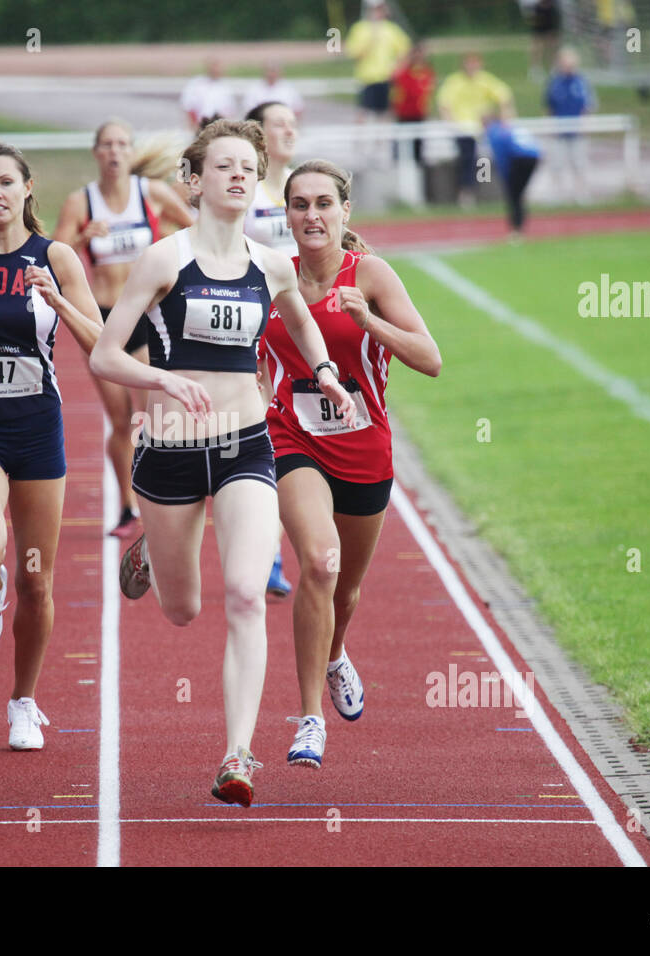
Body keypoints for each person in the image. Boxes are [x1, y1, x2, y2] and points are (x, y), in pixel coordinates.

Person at [89, 120, 355, 807]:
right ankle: (152, 547)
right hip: (169, 455)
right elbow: (104, 354)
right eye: (225, 166)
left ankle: (238, 755)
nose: (239, 176)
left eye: (249, 167)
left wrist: (322, 368)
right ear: (196, 180)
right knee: (183, 609)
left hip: (245, 445)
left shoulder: (271, 264)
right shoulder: (164, 260)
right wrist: (159, 382)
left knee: (245, 594)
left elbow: (298, 318)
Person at [257, 159, 440, 768]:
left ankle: (336, 653)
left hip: (365, 448)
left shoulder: (373, 275)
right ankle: (310, 719)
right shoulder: (269, 277)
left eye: (323, 204)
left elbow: (430, 358)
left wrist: (369, 320)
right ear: (286, 214)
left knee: (347, 587)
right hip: (291, 439)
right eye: (300, 204)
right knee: (318, 560)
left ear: (344, 211)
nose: (312, 215)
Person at [0, 142, 103, 751]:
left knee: (39, 580)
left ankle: (23, 700)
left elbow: (100, 343)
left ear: (28, 187)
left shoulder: (56, 255)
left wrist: (58, 299)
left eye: (7, 182)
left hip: (38, 428)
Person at [54, 120, 195, 539]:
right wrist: (81, 237)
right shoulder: (82, 202)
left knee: (152, 413)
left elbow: (196, 231)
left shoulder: (150, 194)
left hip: (150, 318)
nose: (115, 152)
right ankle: (128, 507)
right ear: (96, 153)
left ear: (131, 152)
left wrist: (165, 242)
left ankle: (164, 495)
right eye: (107, 145)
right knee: (121, 420)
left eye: (122, 145)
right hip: (103, 319)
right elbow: (53, 256)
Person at [243, 101, 300, 598]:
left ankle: (275, 550)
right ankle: (269, 554)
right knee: (258, 433)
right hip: (256, 323)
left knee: (294, 432)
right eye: (278, 123)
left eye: (292, 122)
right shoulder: (246, 191)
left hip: (302, 323)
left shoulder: (303, 190)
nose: (289, 129)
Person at [437, 53, 514, 208]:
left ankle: (482, 190)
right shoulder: (455, 82)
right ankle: (467, 192)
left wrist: (505, 115)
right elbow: (443, 102)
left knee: (482, 160)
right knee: (467, 160)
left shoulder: (485, 80)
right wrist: (451, 123)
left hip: (482, 129)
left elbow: (504, 95)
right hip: (463, 129)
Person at [345, 0, 412, 123]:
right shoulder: (360, 29)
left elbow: (406, 50)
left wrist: (398, 68)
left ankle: (381, 141)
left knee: (384, 113)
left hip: (386, 77)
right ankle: (360, 140)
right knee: (362, 112)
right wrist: (371, 36)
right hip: (366, 78)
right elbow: (354, 54)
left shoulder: (391, 29)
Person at [544, 47, 596, 202]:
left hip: (577, 129)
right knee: (556, 163)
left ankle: (581, 194)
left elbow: (588, 105)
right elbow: (549, 106)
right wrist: (550, 126)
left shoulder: (582, 82)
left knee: (579, 163)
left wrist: (585, 124)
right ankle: (557, 195)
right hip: (559, 129)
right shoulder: (554, 83)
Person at [485, 108, 542, 236]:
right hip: (534, 157)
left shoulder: (494, 132)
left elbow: (501, 157)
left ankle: (516, 228)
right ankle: (519, 226)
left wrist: (505, 179)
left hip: (519, 159)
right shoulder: (509, 127)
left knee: (513, 195)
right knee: (518, 194)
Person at [390, 42, 436, 165]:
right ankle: (398, 163)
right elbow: (404, 88)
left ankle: (417, 164)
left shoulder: (427, 71)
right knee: (401, 140)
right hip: (404, 111)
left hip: (419, 111)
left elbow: (428, 89)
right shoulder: (404, 72)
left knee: (418, 142)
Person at [180, 57, 236, 131]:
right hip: (199, 126)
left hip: (218, 128)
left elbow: (229, 111)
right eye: (214, 67)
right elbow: (188, 106)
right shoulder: (196, 84)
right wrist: (194, 125)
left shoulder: (225, 87)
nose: (216, 70)